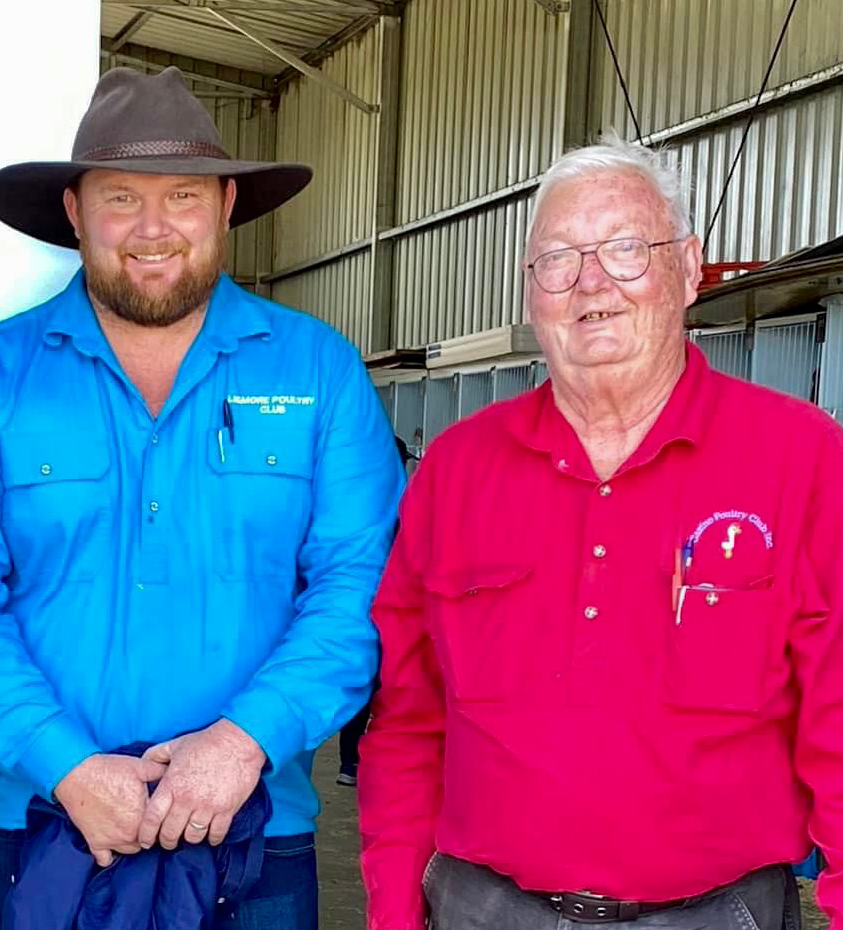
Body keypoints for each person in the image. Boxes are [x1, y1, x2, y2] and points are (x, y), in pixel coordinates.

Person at [0, 66, 404, 929]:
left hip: (253, 829)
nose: (152, 229)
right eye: (119, 198)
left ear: (224, 206)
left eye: (182, 196)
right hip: (38, 827)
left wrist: (240, 742)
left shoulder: (317, 370)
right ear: (75, 213)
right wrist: (66, 765)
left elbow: (359, 585)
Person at [358, 137, 843, 930]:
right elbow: (409, 722)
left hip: (716, 916)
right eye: (557, 258)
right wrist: (391, 910)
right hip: (480, 909)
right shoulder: (456, 468)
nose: (591, 284)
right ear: (529, 293)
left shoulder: (799, 456)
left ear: (687, 268)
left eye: (625, 249)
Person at [337, 434, 415, 788]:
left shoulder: (355, 501)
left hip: (361, 604)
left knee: (364, 682)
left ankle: (350, 763)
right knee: (392, 684)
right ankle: (374, 763)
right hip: (394, 606)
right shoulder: (411, 504)